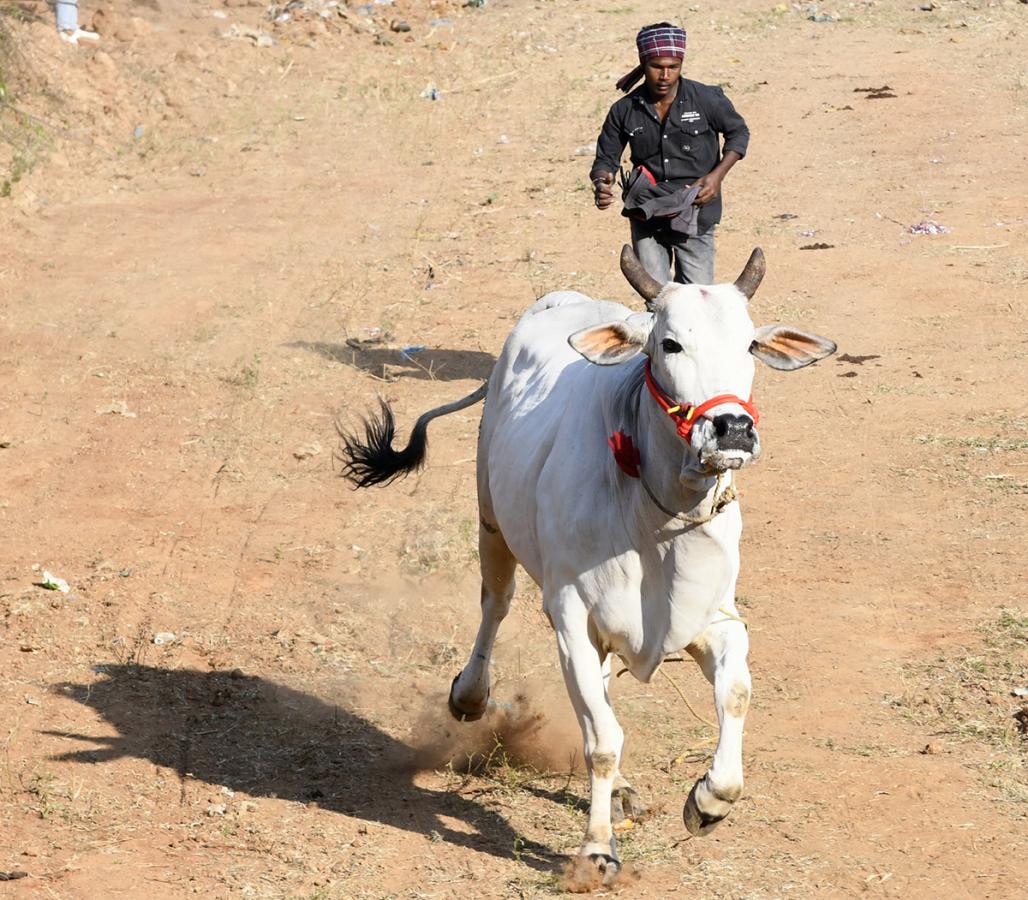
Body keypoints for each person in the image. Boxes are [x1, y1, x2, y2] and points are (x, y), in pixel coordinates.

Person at [590, 22, 749, 285]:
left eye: (673, 67)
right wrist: (601, 181)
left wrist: (716, 176)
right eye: (656, 67)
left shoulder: (706, 98)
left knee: (697, 297)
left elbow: (739, 133)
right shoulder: (624, 109)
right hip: (646, 212)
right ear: (643, 64)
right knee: (655, 300)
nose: (665, 75)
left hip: (695, 209)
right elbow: (606, 157)